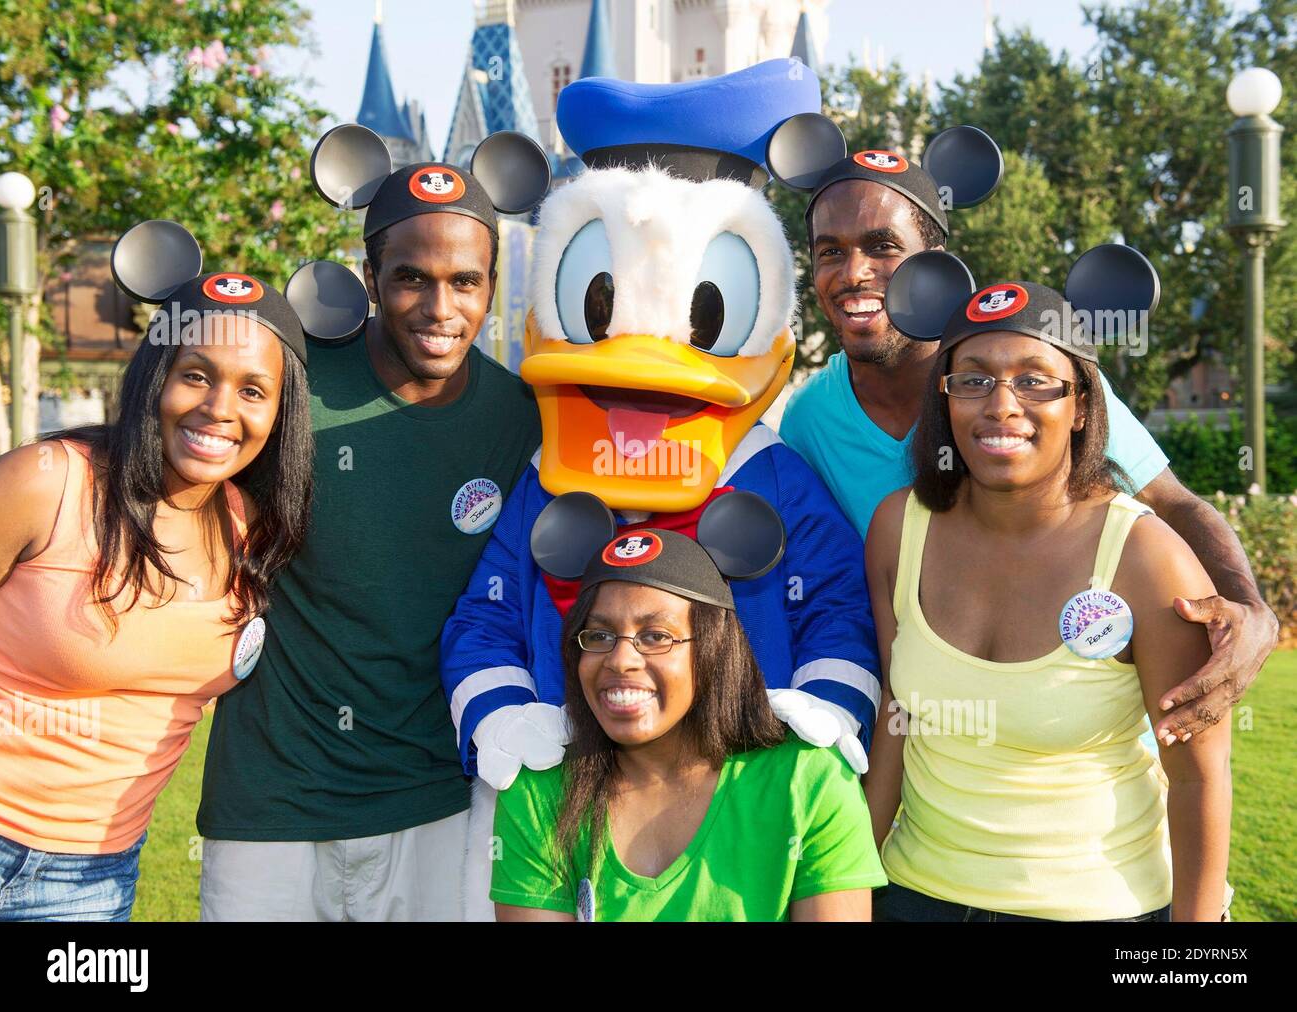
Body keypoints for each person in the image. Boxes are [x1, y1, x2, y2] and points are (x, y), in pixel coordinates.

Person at [441, 63, 881, 919]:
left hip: (742, 781)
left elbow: (838, 606)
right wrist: (504, 715)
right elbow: (486, 613)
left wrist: (820, 708)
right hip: (570, 791)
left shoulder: (769, 471)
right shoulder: (548, 472)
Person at [777, 124, 1278, 747]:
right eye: (830, 251)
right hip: (928, 757)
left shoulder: (1034, 378)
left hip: (1087, 754)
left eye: (882, 247)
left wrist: (1249, 608)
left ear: (934, 260)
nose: (854, 272)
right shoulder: (808, 420)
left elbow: (1171, 503)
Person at [195, 127, 552, 921]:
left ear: (492, 286)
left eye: (466, 282)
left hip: (437, 796)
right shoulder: (286, 392)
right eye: (410, 279)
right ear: (369, 276)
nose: (440, 308)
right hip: (274, 798)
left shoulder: (519, 417)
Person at [862, 253, 1231, 921]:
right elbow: (898, 711)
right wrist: (855, 885)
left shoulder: (1145, 557)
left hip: (1101, 907)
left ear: (1082, 407)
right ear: (944, 403)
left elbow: (1198, 775)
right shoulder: (898, 527)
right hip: (915, 895)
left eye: (1035, 381)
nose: (1002, 406)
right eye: (972, 381)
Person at [0, 219, 341, 920]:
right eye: (195, 375)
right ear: (155, 377)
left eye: (253, 391)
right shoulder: (48, 482)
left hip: (89, 881)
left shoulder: (257, 532)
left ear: (281, 414)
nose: (219, 409)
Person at [492, 492, 886, 921]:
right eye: (600, 636)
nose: (621, 660)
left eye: (656, 636)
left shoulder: (807, 778)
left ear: (714, 652)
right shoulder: (540, 790)